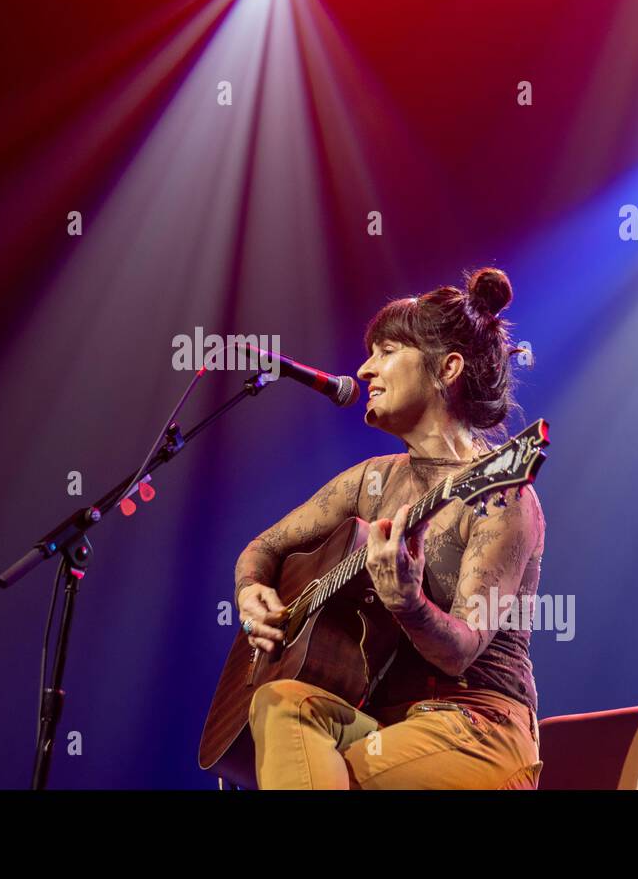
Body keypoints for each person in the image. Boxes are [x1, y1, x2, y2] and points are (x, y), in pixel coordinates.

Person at [234, 267, 545, 789]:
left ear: (447, 368)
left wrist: (408, 603)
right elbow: (261, 549)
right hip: (387, 724)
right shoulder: (370, 481)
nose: (364, 368)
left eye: (386, 350)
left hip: (478, 727)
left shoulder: (502, 494)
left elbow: (461, 650)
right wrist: (251, 593)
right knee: (277, 702)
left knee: (311, 774)